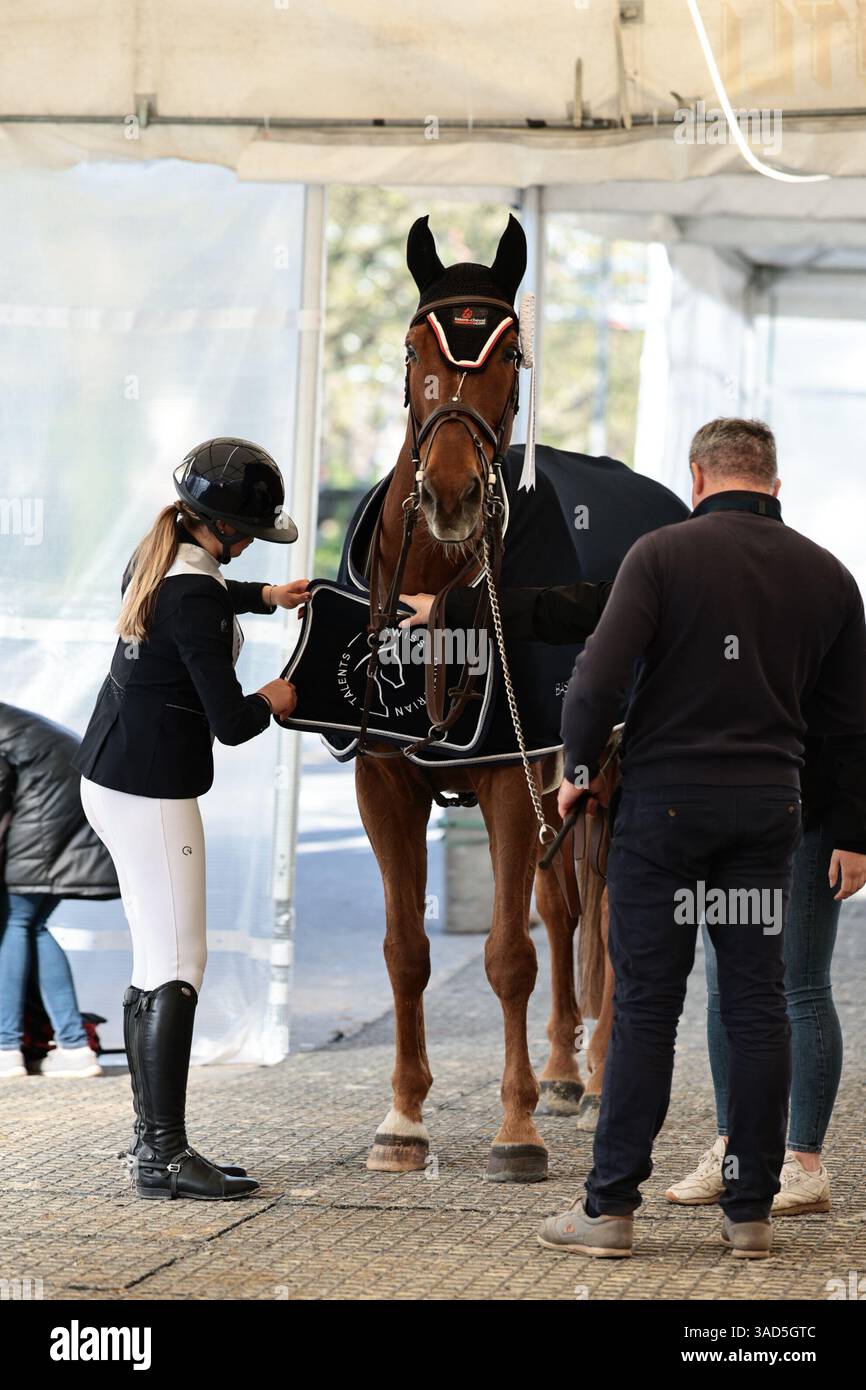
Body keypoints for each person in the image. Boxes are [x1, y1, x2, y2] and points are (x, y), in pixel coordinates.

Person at [404, 417, 866, 1258]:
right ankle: (752, 1211)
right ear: (774, 480)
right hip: (769, 817)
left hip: (667, 815)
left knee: (650, 1006)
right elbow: (850, 727)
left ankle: (610, 1209)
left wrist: (578, 768)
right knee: (760, 1003)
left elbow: (595, 680)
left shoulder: (660, 557)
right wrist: (856, 833)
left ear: (697, 476)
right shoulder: (828, 576)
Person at [75, 437, 307, 1201]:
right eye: (247, 539)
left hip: (111, 772)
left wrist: (265, 598)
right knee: (180, 964)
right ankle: (166, 1156)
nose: (247, 553)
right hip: (153, 786)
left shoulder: (162, 553)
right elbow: (233, 723)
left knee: (154, 963)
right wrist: (277, 696)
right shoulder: (195, 592)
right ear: (227, 529)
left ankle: (153, 1148)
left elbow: (197, 605)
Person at [0, 703, 120, 1078]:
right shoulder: (16, 720)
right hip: (69, 803)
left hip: (45, 811)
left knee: (16, 922)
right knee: (31, 923)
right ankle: (72, 1046)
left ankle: (6, 1048)